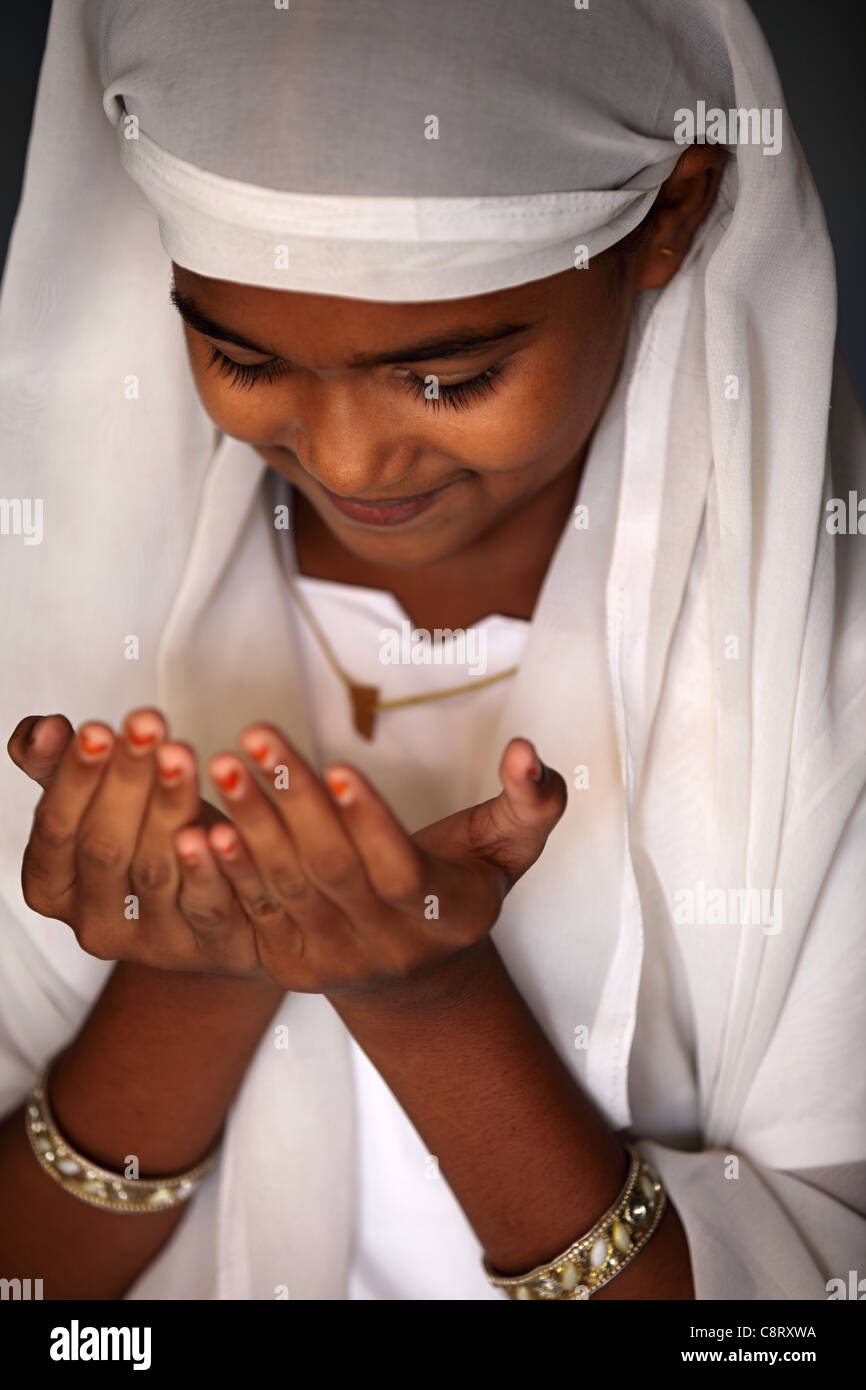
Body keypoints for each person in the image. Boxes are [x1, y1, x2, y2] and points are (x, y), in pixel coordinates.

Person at [0, 0, 863, 1302]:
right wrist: (194, 979)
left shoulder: (823, 677)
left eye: (446, 378)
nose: (345, 460)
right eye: (237, 354)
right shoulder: (44, 602)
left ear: (669, 217)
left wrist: (433, 1006)